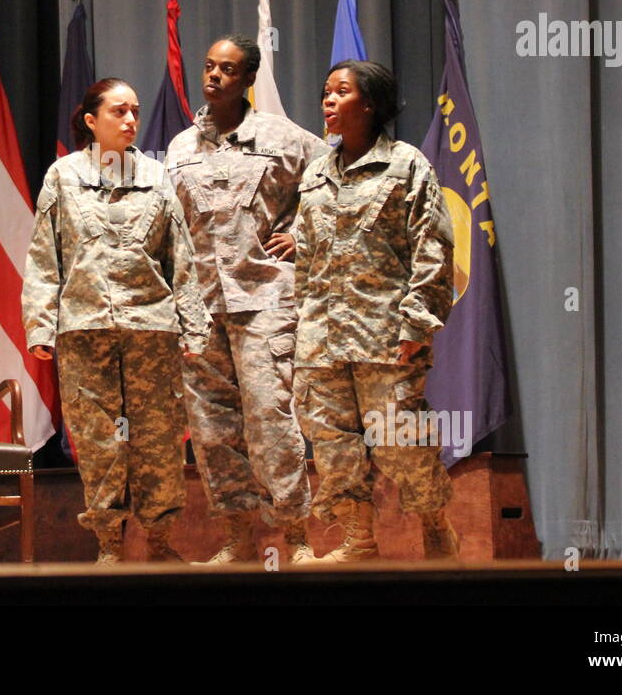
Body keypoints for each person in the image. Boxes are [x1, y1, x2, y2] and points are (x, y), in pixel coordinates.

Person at [23, 78, 209, 564]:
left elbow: (181, 258)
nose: (130, 121)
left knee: (159, 439)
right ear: (91, 121)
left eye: (135, 112)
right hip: (86, 329)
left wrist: (193, 326)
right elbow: (46, 257)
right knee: (100, 442)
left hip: (152, 328)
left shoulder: (156, 175)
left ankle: (161, 543)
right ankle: (108, 544)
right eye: (118, 112)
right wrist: (40, 325)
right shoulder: (62, 177)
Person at [166, 35, 328, 565]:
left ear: (248, 78)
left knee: (269, 417)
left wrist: (302, 235)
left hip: (263, 297)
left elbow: (336, 181)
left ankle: (296, 535)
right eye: (209, 66)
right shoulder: (180, 148)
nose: (213, 77)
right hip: (201, 306)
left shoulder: (282, 138)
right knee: (212, 429)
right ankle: (237, 535)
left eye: (227, 69)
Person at [292, 59, 458, 563]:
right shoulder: (316, 171)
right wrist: (302, 324)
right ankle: (357, 539)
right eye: (325, 91)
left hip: (385, 334)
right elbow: (306, 256)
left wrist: (416, 323)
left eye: (340, 92)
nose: (327, 100)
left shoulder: (406, 165)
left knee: (399, 444)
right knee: (333, 444)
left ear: (369, 103)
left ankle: (434, 525)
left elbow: (432, 249)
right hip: (321, 336)